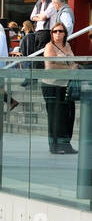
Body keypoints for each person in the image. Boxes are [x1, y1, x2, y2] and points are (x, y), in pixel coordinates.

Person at [42, 22, 78, 154]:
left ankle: (65, 144)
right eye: (55, 31)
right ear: (51, 33)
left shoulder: (67, 45)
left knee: (68, 115)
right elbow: (50, 66)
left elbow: (73, 62)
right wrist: (69, 68)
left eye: (60, 31)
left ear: (65, 33)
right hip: (52, 85)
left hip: (66, 85)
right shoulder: (49, 46)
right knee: (55, 116)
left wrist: (75, 67)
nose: (57, 34)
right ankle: (55, 146)